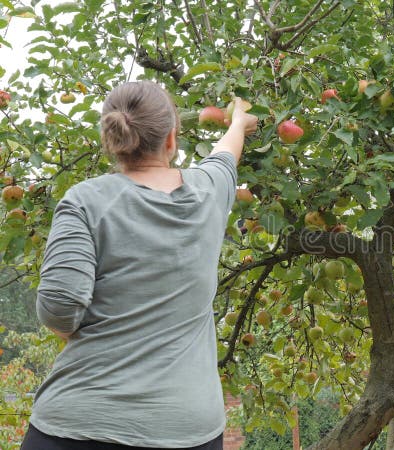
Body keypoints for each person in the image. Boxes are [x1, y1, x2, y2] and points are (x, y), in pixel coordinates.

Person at [20, 80, 259, 449]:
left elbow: (60, 310)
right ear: (171, 138)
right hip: (185, 429)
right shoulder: (209, 192)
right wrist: (238, 122)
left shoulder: (84, 201)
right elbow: (225, 155)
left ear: (111, 138)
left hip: (77, 422)